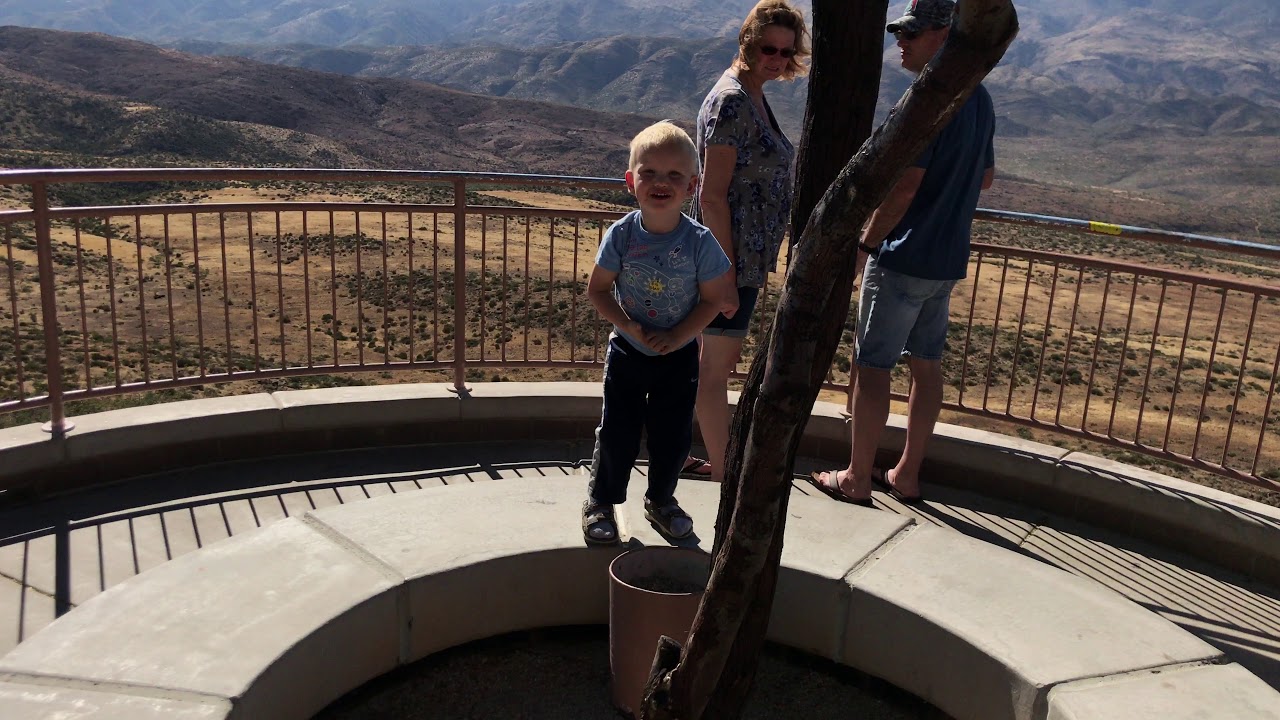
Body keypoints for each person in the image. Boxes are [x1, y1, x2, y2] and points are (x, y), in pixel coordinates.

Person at [808, 0, 996, 506]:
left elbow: (904, 189)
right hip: (945, 260)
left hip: (902, 257)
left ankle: (856, 476)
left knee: (873, 369)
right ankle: (906, 475)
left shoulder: (927, 102)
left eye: (912, 34)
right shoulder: (979, 99)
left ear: (944, 36)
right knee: (927, 365)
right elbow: (985, 177)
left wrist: (866, 243)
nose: (902, 42)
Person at [581, 120, 735, 545]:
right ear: (631, 181)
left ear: (691, 186)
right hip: (628, 353)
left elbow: (712, 300)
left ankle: (662, 500)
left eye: (673, 175)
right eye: (649, 172)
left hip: (679, 356)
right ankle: (601, 499)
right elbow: (598, 289)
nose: (660, 183)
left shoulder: (701, 242)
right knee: (619, 430)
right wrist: (628, 325)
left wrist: (679, 336)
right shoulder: (622, 235)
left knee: (672, 434)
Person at [689, 0, 810, 485]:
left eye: (785, 50)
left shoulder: (752, 94)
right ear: (747, 41)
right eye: (768, 48)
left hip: (740, 260)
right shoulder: (734, 101)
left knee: (706, 364)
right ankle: (724, 474)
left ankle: (683, 454)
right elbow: (713, 196)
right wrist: (725, 275)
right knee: (715, 371)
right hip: (728, 261)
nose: (777, 58)